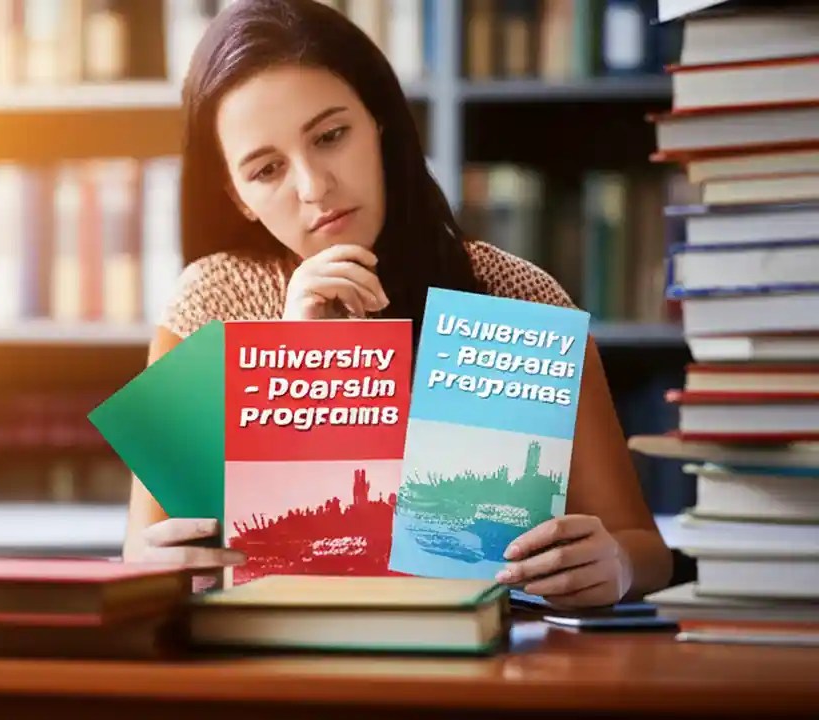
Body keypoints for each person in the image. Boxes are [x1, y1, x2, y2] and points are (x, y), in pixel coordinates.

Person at [122, 0, 672, 608]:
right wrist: (292, 362)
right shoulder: (210, 305)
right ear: (238, 195)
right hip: (270, 668)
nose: (314, 187)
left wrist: (615, 563)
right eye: (267, 169)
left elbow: (645, 547)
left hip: (480, 669)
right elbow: (143, 552)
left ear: (379, 122)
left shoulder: (515, 293)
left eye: (331, 136)